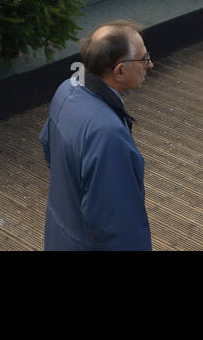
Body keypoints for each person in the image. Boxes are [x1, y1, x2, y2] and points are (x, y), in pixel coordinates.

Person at [39, 21, 153, 250]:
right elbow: (119, 224)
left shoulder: (66, 89)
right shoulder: (108, 134)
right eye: (143, 58)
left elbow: (49, 147)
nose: (150, 64)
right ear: (119, 71)